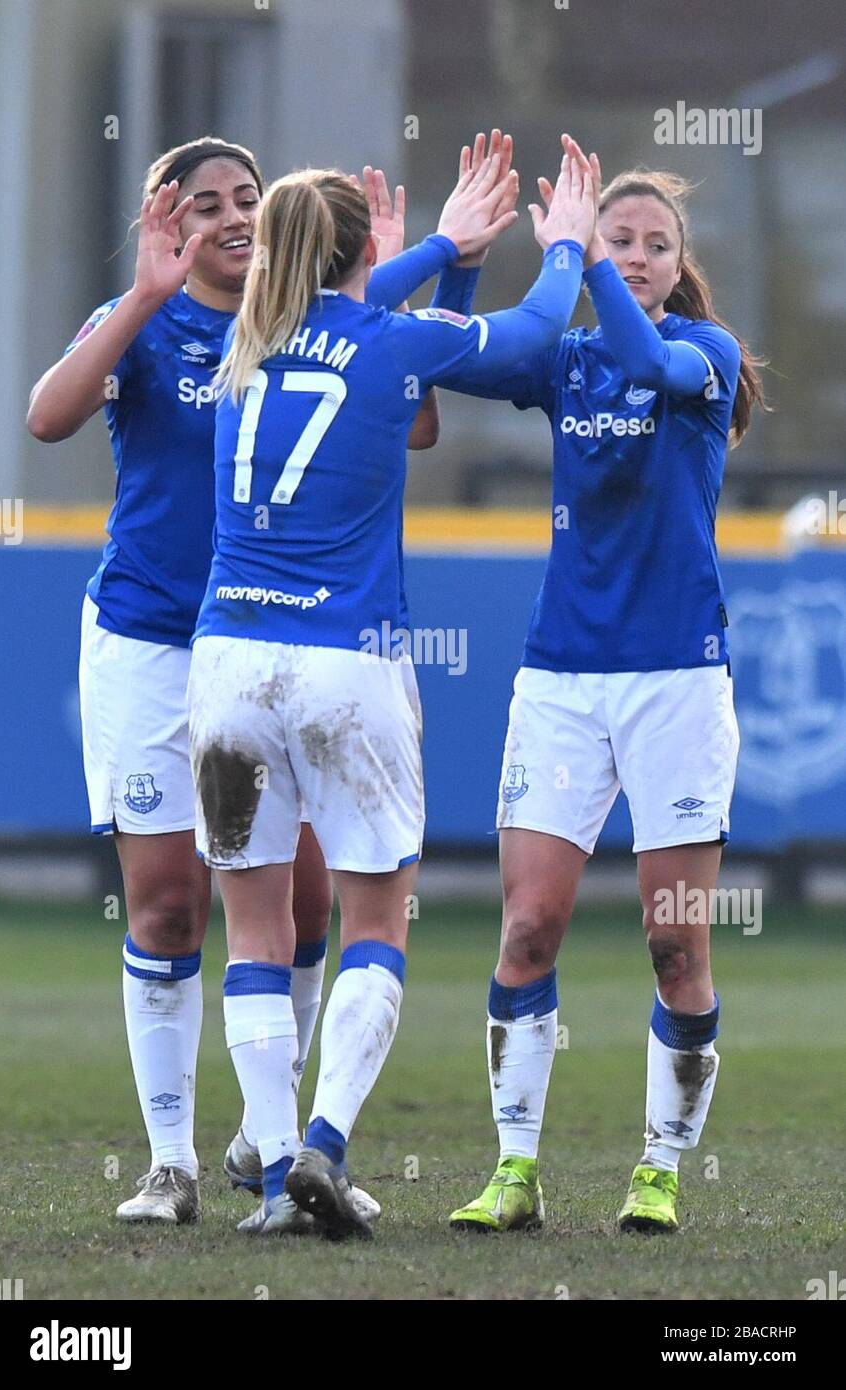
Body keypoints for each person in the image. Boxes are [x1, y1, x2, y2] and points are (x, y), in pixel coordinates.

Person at [25, 135, 451, 1225]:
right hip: (151, 641)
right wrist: (137, 297)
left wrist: (382, 284)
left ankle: (274, 1141)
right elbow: (48, 413)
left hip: (267, 653)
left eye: (247, 199)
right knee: (167, 903)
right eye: (202, 201)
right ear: (163, 221)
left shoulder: (309, 323)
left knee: (302, 901)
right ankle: (170, 1163)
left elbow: (415, 425)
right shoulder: (147, 320)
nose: (229, 216)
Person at [187, 144, 595, 1238]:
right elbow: (533, 331)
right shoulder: (390, 336)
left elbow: (349, 309)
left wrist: (439, 248)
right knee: (374, 915)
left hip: (226, 664)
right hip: (344, 666)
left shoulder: (244, 337)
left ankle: (276, 1178)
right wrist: (561, 242)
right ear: (365, 253)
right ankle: (324, 1143)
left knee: (256, 934)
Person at [448, 136, 768, 1235]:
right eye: (615, 237)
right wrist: (458, 253)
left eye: (650, 244)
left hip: (676, 680)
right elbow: (446, 357)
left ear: (680, 265)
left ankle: (660, 1168)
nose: (629, 255)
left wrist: (576, 259)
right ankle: (514, 1170)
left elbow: (649, 369)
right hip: (561, 683)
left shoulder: (702, 349)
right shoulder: (562, 356)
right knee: (528, 926)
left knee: (674, 939)